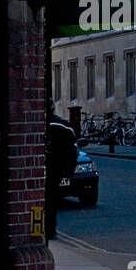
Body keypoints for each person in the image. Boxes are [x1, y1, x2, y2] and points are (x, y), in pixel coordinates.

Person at [45, 102, 77, 240]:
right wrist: (68, 172)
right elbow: (72, 152)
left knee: (37, 202)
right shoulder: (64, 127)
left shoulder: (31, 126)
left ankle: (38, 230)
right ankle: (49, 231)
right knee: (51, 202)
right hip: (55, 171)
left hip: (38, 171)